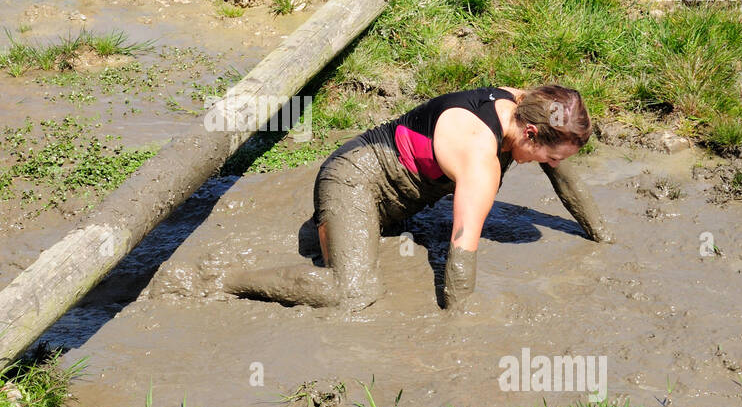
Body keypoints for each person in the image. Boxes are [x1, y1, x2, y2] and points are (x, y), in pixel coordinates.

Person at [212, 84, 613, 311]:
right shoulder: (481, 159)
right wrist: (460, 324)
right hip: (352, 182)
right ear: (531, 134)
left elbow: (565, 177)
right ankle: (223, 280)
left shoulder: (526, 107)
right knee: (353, 292)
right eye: (550, 156)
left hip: (392, 204)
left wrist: (603, 237)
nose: (550, 165)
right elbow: (461, 251)